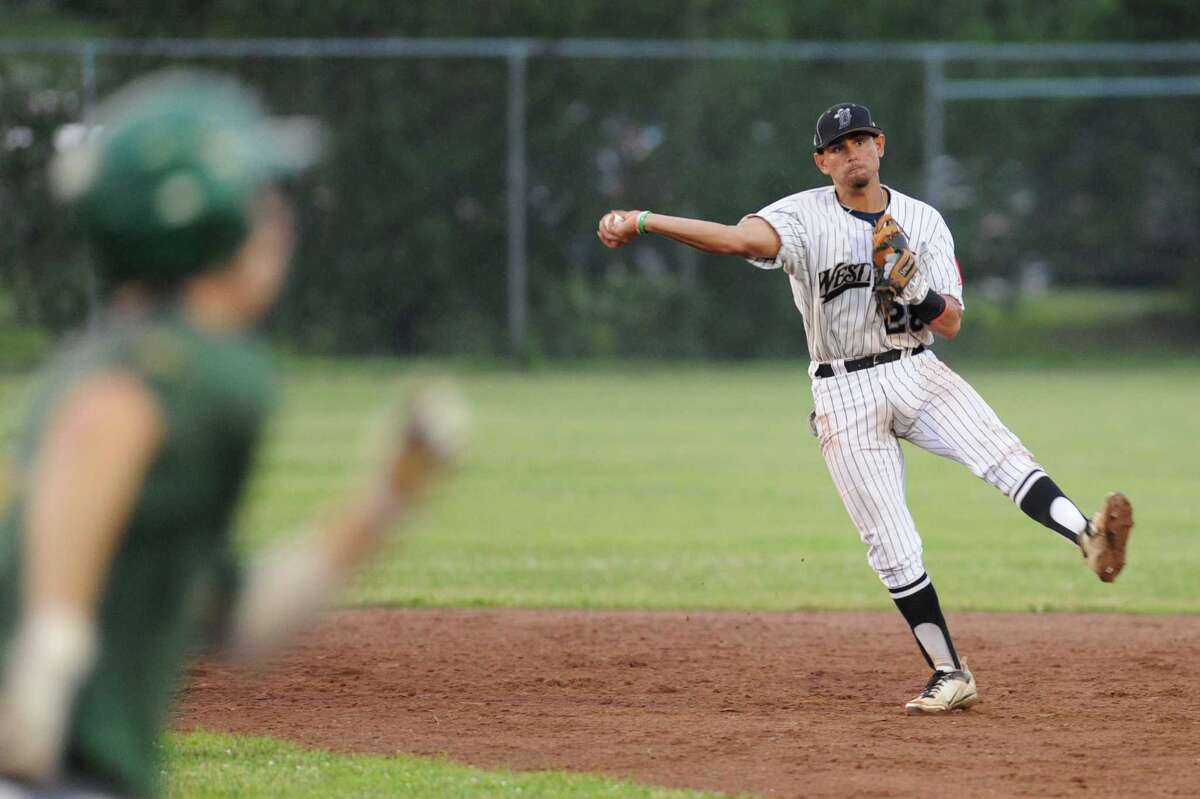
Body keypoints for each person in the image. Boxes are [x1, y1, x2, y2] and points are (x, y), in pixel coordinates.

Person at [0, 70, 467, 798]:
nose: (277, 217)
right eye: (259, 197)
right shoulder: (178, 366)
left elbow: (243, 627)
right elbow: (99, 430)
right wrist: (49, 652)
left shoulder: (159, 357)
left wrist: (385, 500)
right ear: (200, 215)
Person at [596, 102, 1133, 715]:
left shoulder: (924, 222)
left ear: (881, 145)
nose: (853, 152)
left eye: (861, 140)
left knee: (1001, 454)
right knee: (892, 543)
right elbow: (738, 240)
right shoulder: (801, 216)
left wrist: (916, 290)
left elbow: (951, 322)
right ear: (823, 161)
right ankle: (950, 672)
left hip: (916, 368)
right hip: (842, 391)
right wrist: (643, 219)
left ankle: (1087, 537)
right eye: (839, 146)